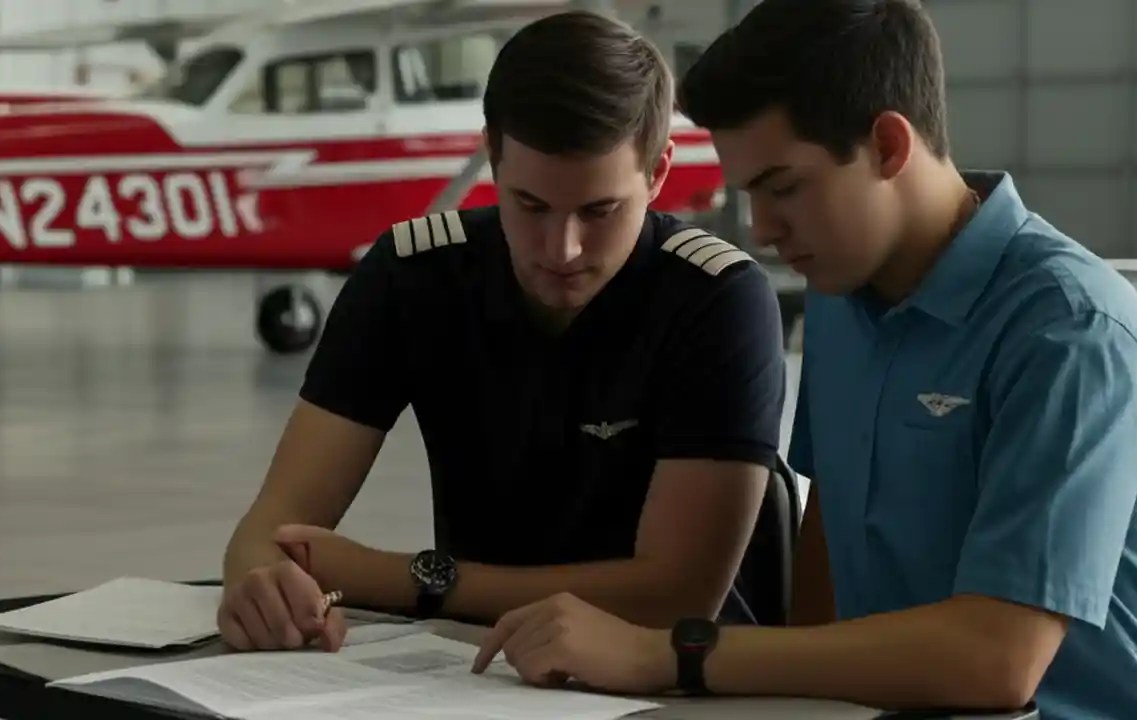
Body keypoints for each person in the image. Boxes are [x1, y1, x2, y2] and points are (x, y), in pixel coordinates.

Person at [470, 1, 1137, 718]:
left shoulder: (1071, 333)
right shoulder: (841, 294)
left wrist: (670, 654)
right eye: (749, 194)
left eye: (784, 188)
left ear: (888, 146)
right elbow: (828, 534)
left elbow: (997, 660)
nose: (762, 228)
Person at [216, 10, 789, 655]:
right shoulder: (415, 274)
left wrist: (404, 579)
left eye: (599, 211)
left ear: (657, 173)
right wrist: (263, 587)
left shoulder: (715, 299)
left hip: (674, 682)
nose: (562, 249)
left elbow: (674, 597)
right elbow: (272, 530)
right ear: (492, 157)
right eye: (530, 205)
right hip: (476, 668)